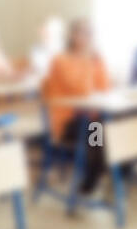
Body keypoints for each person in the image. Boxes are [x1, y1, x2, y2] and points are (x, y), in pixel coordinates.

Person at [40, 19, 111, 200]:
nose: (88, 38)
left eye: (90, 34)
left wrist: (99, 61)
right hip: (66, 121)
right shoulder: (61, 60)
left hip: (88, 117)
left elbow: (104, 88)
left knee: (104, 126)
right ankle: (93, 177)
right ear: (72, 36)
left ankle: (99, 173)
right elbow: (81, 89)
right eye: (83, 33)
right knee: (96, 128)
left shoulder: (93, 59)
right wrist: (89, 61)